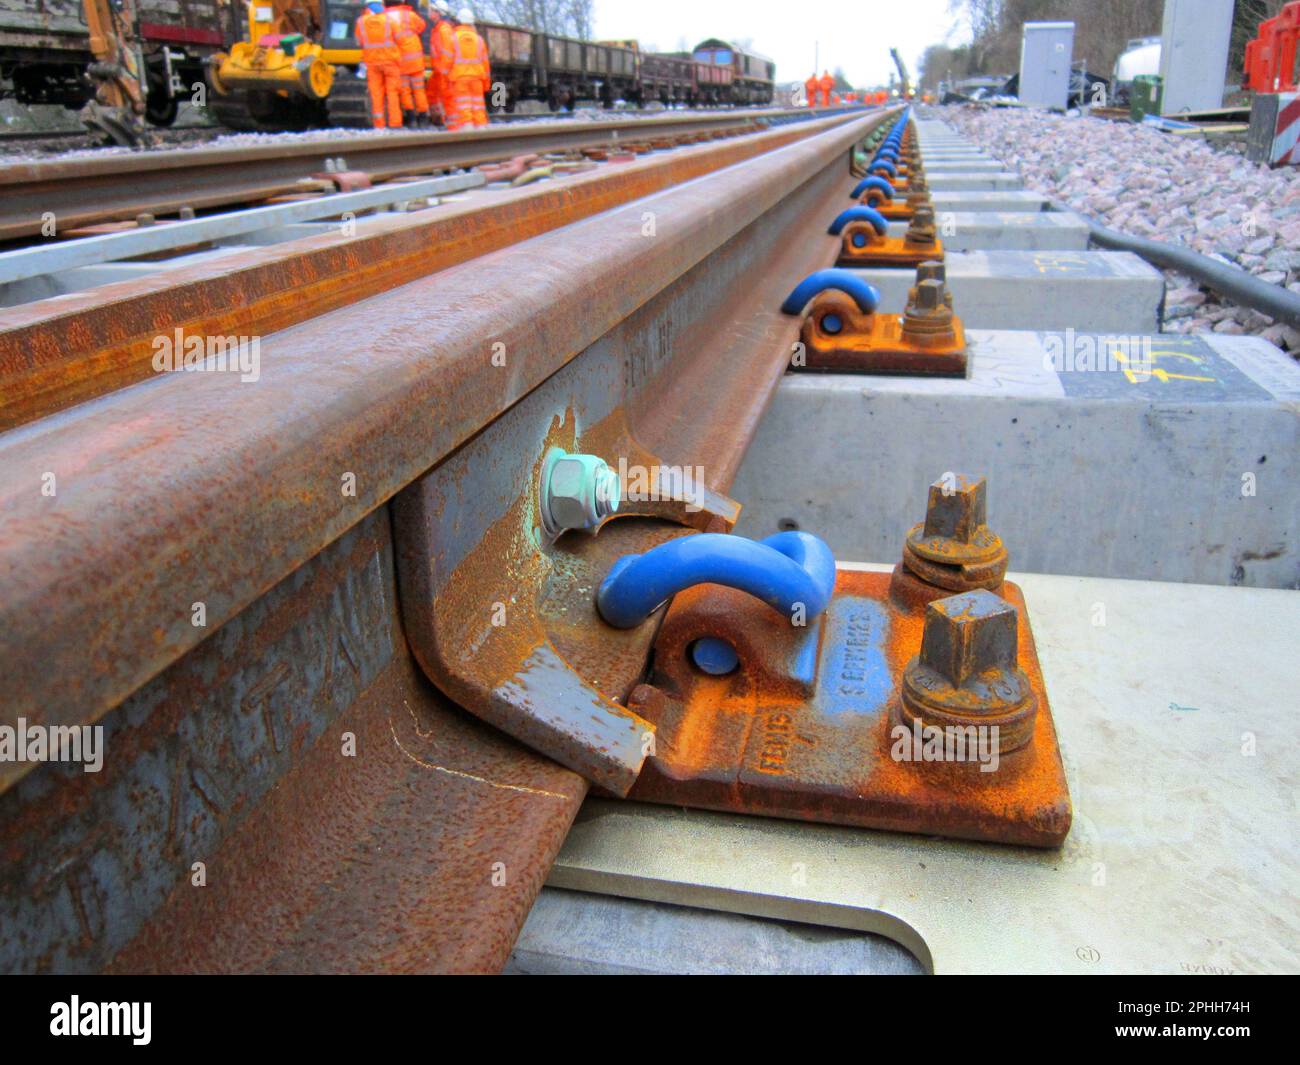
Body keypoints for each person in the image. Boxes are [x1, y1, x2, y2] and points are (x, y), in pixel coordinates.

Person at [355, 0, 403, 128]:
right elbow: (400, 39)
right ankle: (395, 123)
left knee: (376, 94)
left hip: (372, 63)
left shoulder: (361, 22)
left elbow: (359, 42)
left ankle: (379, 124)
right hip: (390, 62)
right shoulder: (390, 21)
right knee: (392, 92)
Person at [386, 0, 431, 127]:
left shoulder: (386, 17)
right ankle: (423, 118)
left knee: (405, 91)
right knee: (418, 90)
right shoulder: (409, 14)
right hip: (415, 60)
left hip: (401, 61)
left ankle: (411, 119)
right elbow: (422, 26)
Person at [446, 8, 490, 130]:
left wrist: (446, 78)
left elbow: (447, 61)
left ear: (459, 21)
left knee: (463, 105)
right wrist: (486, 82)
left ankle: (467, 128)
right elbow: (485, 64)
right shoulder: (479, 40)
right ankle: (481, 128)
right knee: (478, 105)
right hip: (477, 78)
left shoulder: (453, 38)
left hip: (459, 78)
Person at [427, 2, 457, 126]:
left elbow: (448, 53)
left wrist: (444, 71)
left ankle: (453, 126)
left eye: (431, 10)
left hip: (443, 72)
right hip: (439, 71)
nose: (429, 13)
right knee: (436, 96)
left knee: (448, 98)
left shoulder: (444, 30)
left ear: (438, 13)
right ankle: (445, 122)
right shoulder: (439, 28)